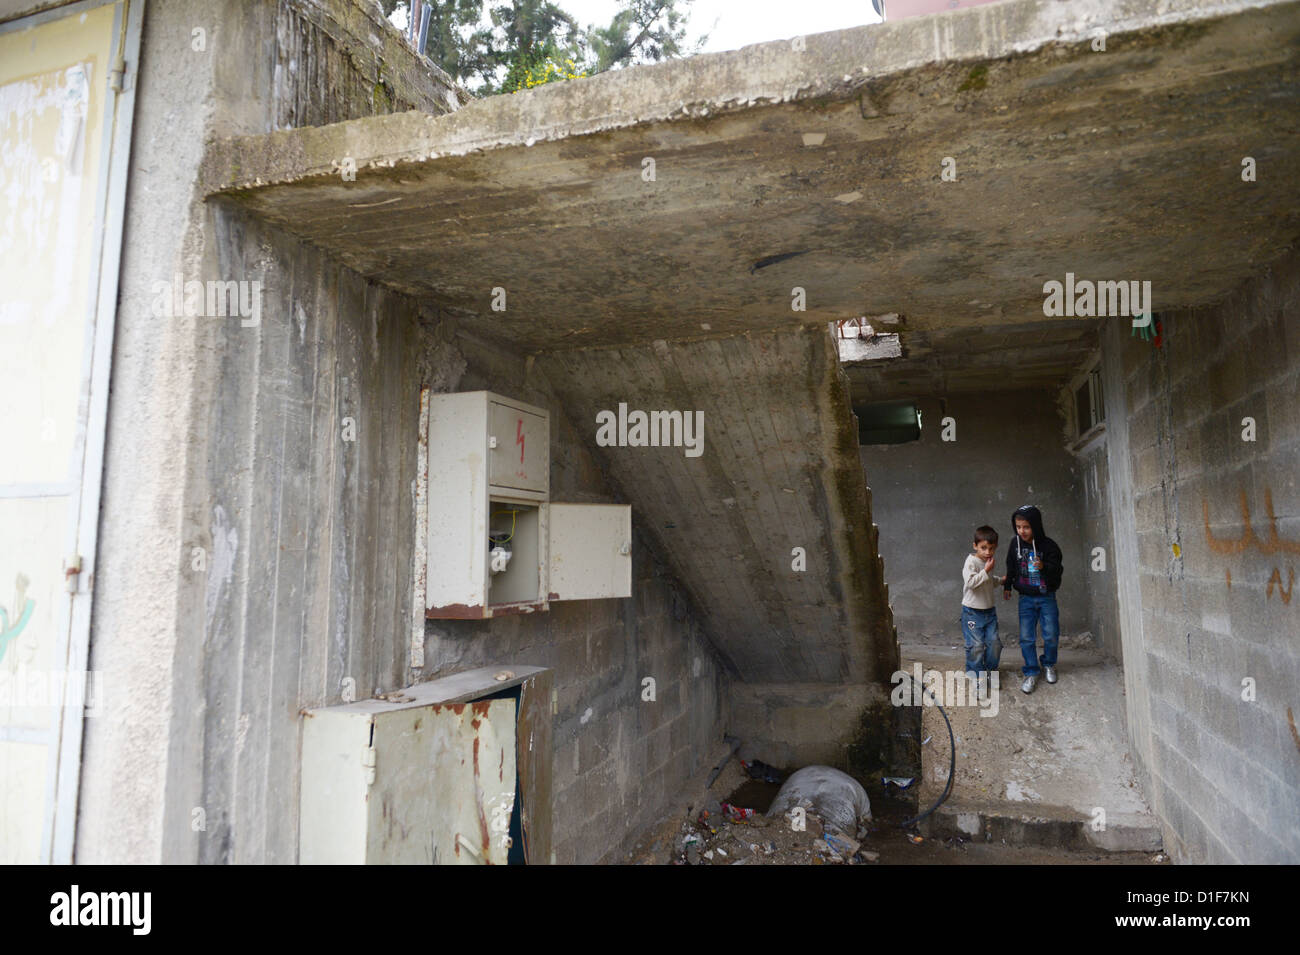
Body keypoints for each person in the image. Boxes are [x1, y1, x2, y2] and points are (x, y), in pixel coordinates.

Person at [1002, 505, 1063, 693]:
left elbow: (1058, 570)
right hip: (1026, 598)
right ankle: (1031, 671)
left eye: (1026, 527)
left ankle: (1049, 664)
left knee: (1051, 635)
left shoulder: (1049, 546)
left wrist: (1043, 566)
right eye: (1018, 527)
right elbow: (1011, 565)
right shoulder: (1015, 544)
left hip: (1046, 597)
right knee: (1027, 638)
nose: (1022, 531)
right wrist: (1007, 585)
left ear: (1035, 526)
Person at [961, 525, 1004, 696]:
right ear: (975, 546)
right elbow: (971, 583)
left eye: (991, 548)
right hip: (972, 611)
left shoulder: (988, 562)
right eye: (983, 548)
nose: (988, 552)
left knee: (994, 644)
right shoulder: (971, 562)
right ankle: (977, 677)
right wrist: (986, 570)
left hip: (989, 611)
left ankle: (990, 672)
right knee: (976, 646)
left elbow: (987, 581)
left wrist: (1000, 580)